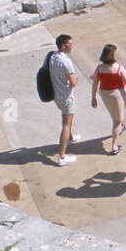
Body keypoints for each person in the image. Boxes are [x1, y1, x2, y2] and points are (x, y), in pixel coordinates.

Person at [91, 43, 126, 155]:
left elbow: (95, 83)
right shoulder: (119, 68)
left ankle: (119, 128)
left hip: (104, 94)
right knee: (117, 121)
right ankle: (114, 146)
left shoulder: (99, 69)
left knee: (114, 115)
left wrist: (93, 97)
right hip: (117, 94)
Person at [48, 33, 81, 165]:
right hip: (66, 96)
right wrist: (76, 78)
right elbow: (73, 82)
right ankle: (62, 156)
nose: (72, 47)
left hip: (57, 94)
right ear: (63, 46)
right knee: (66, 125)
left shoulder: (53, 57)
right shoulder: (66, 61)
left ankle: (71, 138)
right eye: (70, 45)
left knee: (66, 119)